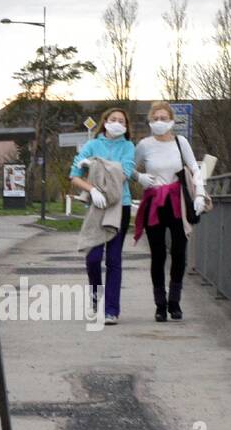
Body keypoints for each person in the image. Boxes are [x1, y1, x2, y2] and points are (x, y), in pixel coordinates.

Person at [132, 100, 208, 321]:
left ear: (172, 121)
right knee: (157, 254)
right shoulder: (144, 145)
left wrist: (201, 192)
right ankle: (160, 304)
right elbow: (129, 166)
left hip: (177, 201)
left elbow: (194, 167)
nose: (159, 122)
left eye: (163, 118)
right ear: (149, 121)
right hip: (154, 201)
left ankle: (175, 302)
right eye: (155, 118)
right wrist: (139, 177)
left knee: (179, 252)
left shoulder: (180, 141)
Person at [69, 108, 135, 324]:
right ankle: (96, 296)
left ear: (126, 126)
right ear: (105, 122)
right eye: (113, 119)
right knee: (94, 257)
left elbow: (123, 173)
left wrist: (95, 164)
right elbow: (74, 175)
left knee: (114, 259)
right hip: (96, 206)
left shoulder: (128, 147)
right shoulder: (92, 145)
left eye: (121, 121)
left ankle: (111, 310)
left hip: (119, 205)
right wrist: (92, 189)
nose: (117, 123)